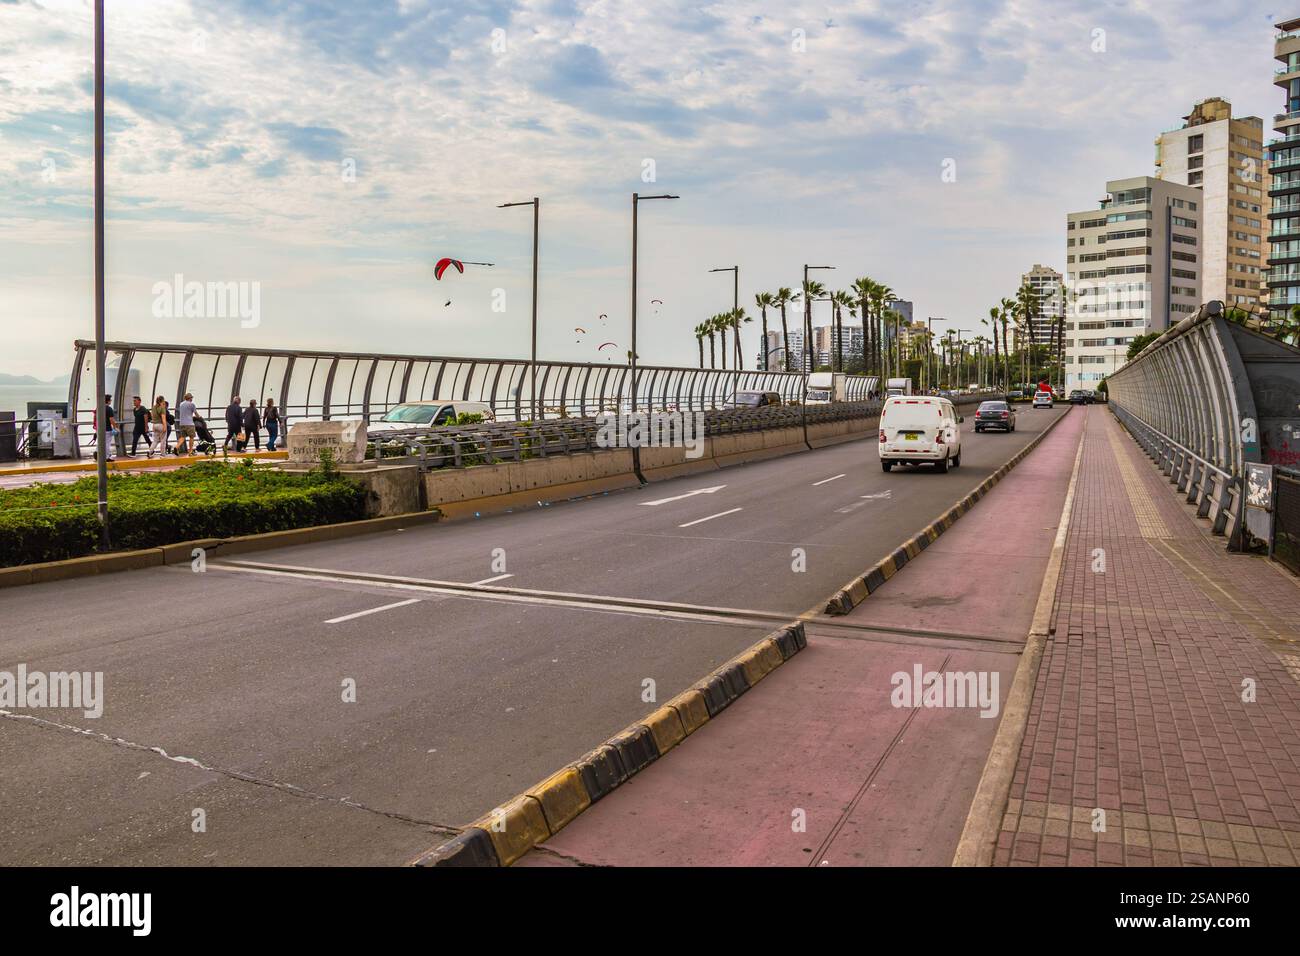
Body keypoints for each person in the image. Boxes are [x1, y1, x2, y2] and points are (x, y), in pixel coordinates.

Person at [95, 394, 118, 461]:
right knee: (107, 443)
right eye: (110, 400)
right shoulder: (109, 409)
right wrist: (115, 427)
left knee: (100, 442)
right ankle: (107, 457)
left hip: (99, 429)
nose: (110, 401)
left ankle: (97, 453)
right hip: (107, 429)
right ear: (107, 401)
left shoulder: (98, 408)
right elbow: (111, 419)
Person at [175, 392, 198, 456]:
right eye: (191, 398)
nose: (192, 399)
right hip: (189, 424)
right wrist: (199, 417)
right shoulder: (192, 404)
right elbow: (196, 413)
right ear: (190, 398)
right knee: (192, 437)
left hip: (182, 423)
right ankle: (190, 451)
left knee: (182, 437)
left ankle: (176, 447)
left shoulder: (181, 404)